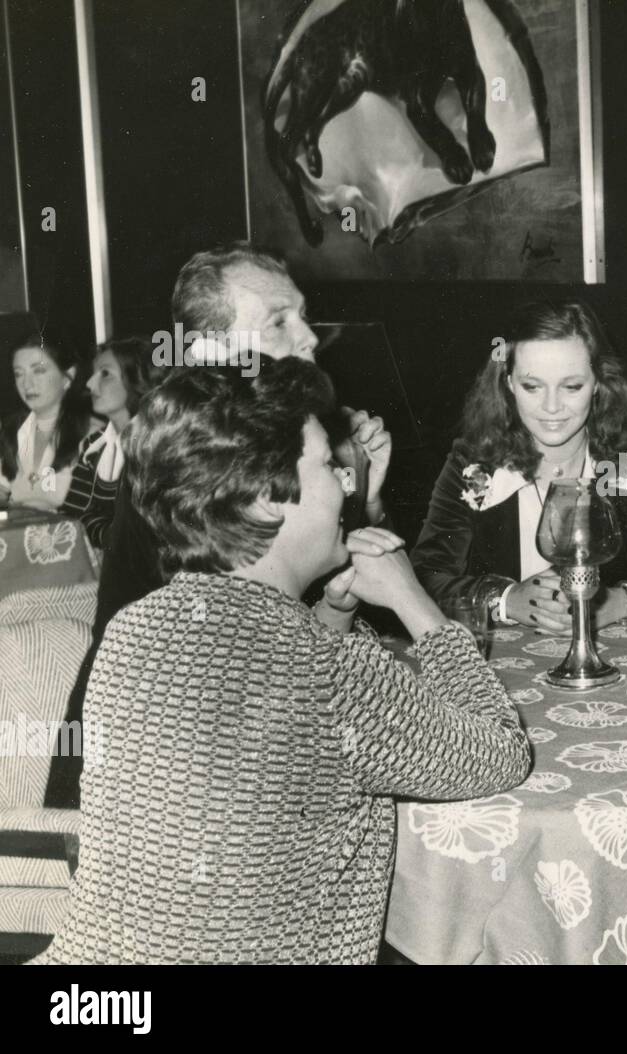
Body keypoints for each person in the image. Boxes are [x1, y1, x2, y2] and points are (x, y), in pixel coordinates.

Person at [34, 359, 530, 964]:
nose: (348, 484)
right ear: (270, 500)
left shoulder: (133, 629)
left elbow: (262, 718)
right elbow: (501, 753)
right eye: (328, 465)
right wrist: (414, 602)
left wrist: (335, 610)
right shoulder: (329, 672)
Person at [92, 243, 393, 638]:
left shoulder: (302, 434)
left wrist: (366, 500)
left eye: (303, 316)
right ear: (210, 353)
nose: (310, 338)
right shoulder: (183, 455)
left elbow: (339, 596)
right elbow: (248, 644)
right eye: (278, 323)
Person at [411, 300, 627, 632]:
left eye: (571, 386)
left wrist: (618, 602)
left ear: (598, 382)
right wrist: (504, 599)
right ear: (508, 383)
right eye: (532, 386)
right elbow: (423, 578)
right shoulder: (474, 467)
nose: (552, 407)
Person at [58, 336, 163, 547]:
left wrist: (96, 524)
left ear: (137, 379)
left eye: (105, 374)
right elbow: (69, 519)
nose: (89, 383)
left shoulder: (157, 447)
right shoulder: (93, 446)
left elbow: (144, 536)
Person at [0, 332, 91, 510]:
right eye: (19, 374)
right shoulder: (12, 431)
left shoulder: (91, 433)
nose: (27, 384)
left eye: (38, 371)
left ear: (67, 376)